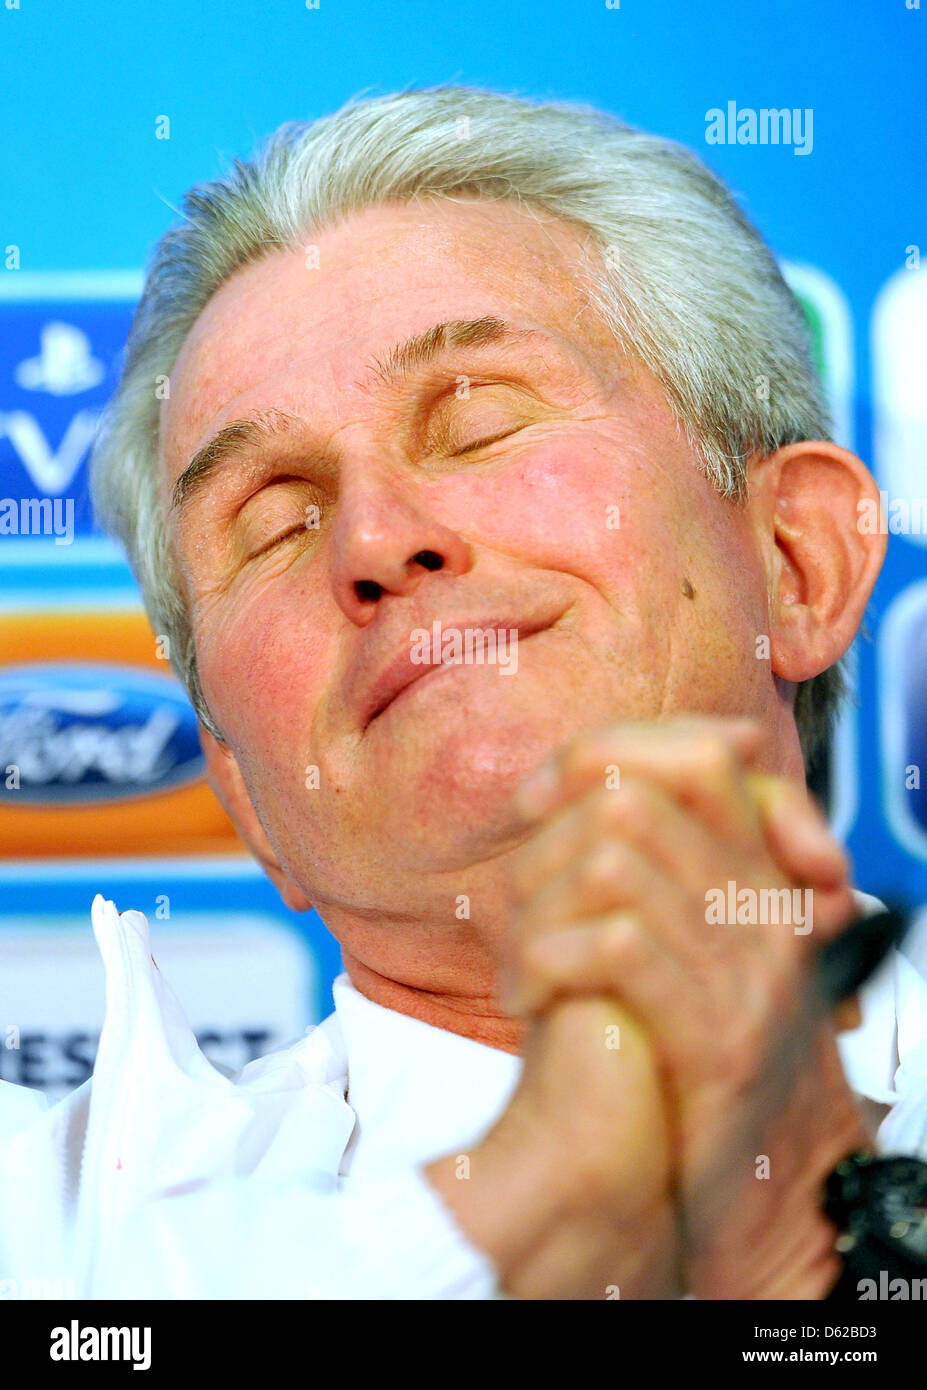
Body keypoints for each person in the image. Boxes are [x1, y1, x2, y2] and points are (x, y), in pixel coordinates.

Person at [2, 84, 925, 1300]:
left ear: (796, 562)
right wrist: (526, 1198)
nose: (375, 539)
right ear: (246, 795)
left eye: (479, 421)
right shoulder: (59, 1239)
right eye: (278, 520)